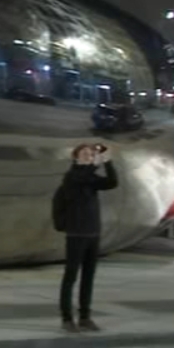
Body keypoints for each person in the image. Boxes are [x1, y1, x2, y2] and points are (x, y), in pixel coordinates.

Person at [51, 142, 119, 333]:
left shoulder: (90, 178)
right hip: (76, 233)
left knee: (88, 277)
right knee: (70, 276)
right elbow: (82, 177)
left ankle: (85, 316)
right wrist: (95, 163)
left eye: (91, 154)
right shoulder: (71, 177)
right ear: (75, 157)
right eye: (85, 154)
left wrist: (108, 162)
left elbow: (112, 182)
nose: (89, 156)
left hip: (92, 232)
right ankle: (66, 318)